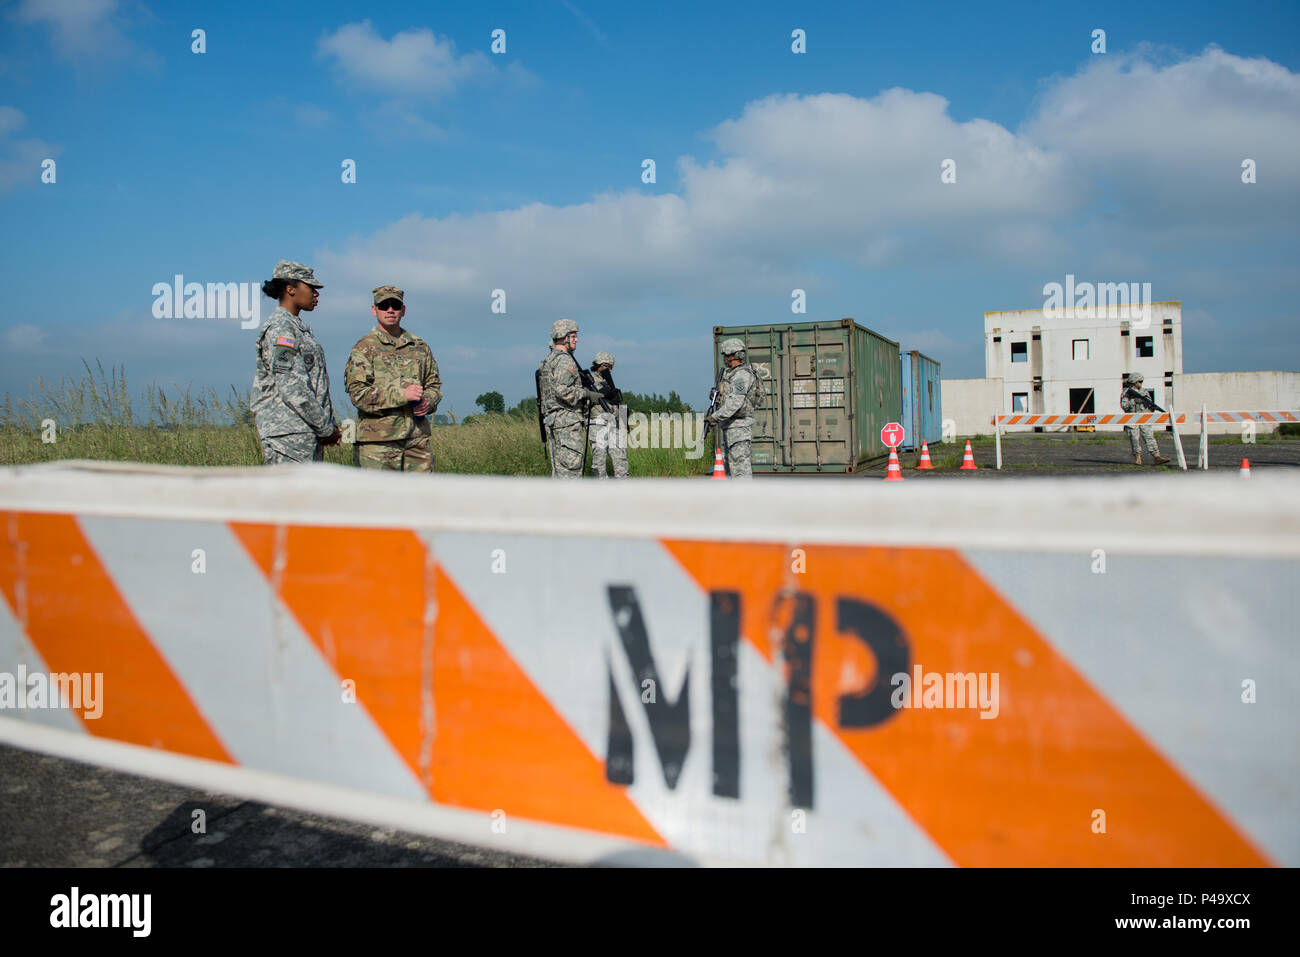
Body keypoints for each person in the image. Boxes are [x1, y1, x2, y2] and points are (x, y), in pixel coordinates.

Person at [344, 285, 442, 472]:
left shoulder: (419, 346)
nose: (390, 310)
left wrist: (428, 402)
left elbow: (434, 384)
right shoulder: (364, 348)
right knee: (380, 500)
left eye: (395, 305)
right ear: (374, 310)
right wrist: (401, 395)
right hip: (378, 445)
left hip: (416, 441)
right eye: (384, 305)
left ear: (403, 310)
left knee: (422, 499)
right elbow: (358, 394)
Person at [252, 260, 340, 464]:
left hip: (304, 433)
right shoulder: (281, 329)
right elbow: (292, 386)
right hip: (288, 437)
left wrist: (324, 426)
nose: (316, 294)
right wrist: (326, 428)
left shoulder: (296, 328)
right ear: (290, 289)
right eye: (310, 288)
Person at [538, 319, 603, 478]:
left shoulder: (549, 360)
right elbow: (562, 391)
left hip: (555, 421)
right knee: (571, 472)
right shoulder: (564, 360)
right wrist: (586, 394)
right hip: (567, 422)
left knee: (560, 473)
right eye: (573, 336)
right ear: (563, 337)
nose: (576, 339)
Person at [708, 338, 761, 479]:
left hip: (739, 427)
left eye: (725, 355)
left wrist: (715, 417)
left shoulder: (741, 375)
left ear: (733, 355)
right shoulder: (730, 375)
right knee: (732, 469)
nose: (724, 359)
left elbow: (735, 402)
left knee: (740, 469)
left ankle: (744, 498)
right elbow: (726, 399)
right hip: (731, 427)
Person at [588, 351, 628, 479]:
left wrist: (623, 415)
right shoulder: (589, 381)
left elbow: (616, 405)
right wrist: (602, 394)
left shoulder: (608, 382)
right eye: (607, 366)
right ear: (599, 365)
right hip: (597, 423)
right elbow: (583, 401)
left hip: (613, 424)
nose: (609, 370)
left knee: (620, 458)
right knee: (599, 461)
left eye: (611, 367)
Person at [1121, 372, 1171, 466]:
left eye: (1141, 381)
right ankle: (1138, 458)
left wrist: (1151, 408)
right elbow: (1124, 406)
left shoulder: (1144, 391)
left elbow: (1149, 403)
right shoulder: (1126, 392)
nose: (1141, 383)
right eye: (1139, 381)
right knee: (1134, 438)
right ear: (1134, 381)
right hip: (1132, 418)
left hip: (1144, 417)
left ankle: (1157, 457)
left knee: (1149, 437)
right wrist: (1133, 401)